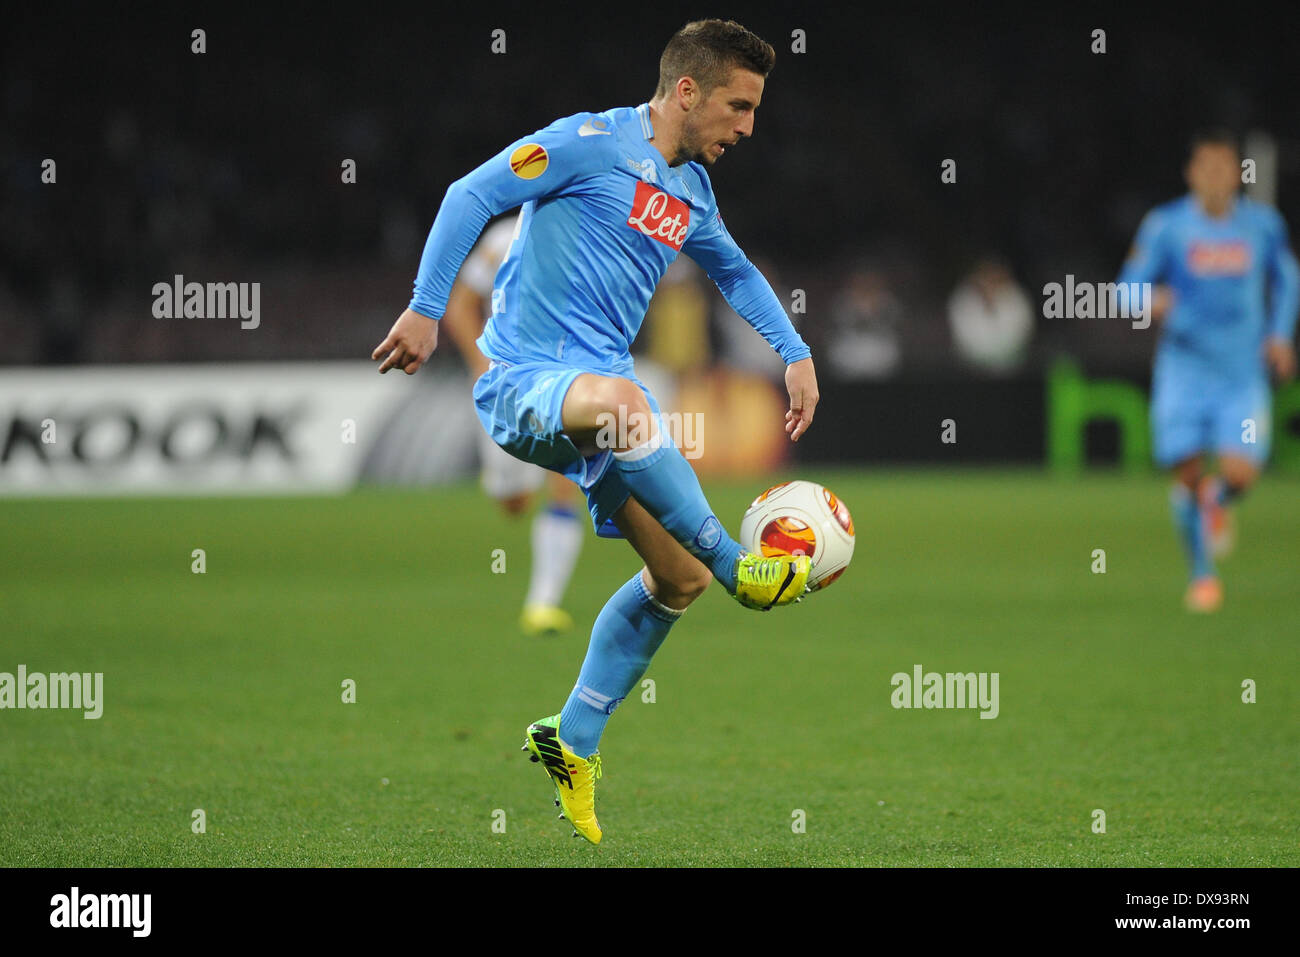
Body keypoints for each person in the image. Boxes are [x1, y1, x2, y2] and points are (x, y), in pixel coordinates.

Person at [371, 19, 818, 843]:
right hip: (524, 382)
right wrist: (426, 308)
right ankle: (739, 568)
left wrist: (794, 351)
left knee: (675, 578)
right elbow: (469, 194)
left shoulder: (692, 192)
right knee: (629, 406)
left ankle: (572, 738)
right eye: (739, 105)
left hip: (596, 405)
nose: (749, 127)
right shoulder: (586, 143)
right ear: (688, 91)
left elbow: (734, 270)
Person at [1117, 129, 1299, 612]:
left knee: (1242, 472)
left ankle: (1218, 500)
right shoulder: (1166, 226)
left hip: (1241, 375)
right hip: (1184, 372)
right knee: (1186, 473)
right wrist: (1149, 299)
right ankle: (1202, 575)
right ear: (1191, 174)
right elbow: (1124, 291)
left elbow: (1288, 279)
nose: (1216, 177)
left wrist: (1280, 334)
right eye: (1207, 168)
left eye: (1225, 168)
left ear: (1238, 174)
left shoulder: (1262, 225)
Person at [440, 213, 585, 636]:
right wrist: (479, 365)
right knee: (515, 503)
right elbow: (460, 305)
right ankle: (508, 476)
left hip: (566, 374)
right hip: (507, 381)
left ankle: (543, 604)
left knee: (566, 477)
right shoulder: (504, 238)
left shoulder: (585, 229)